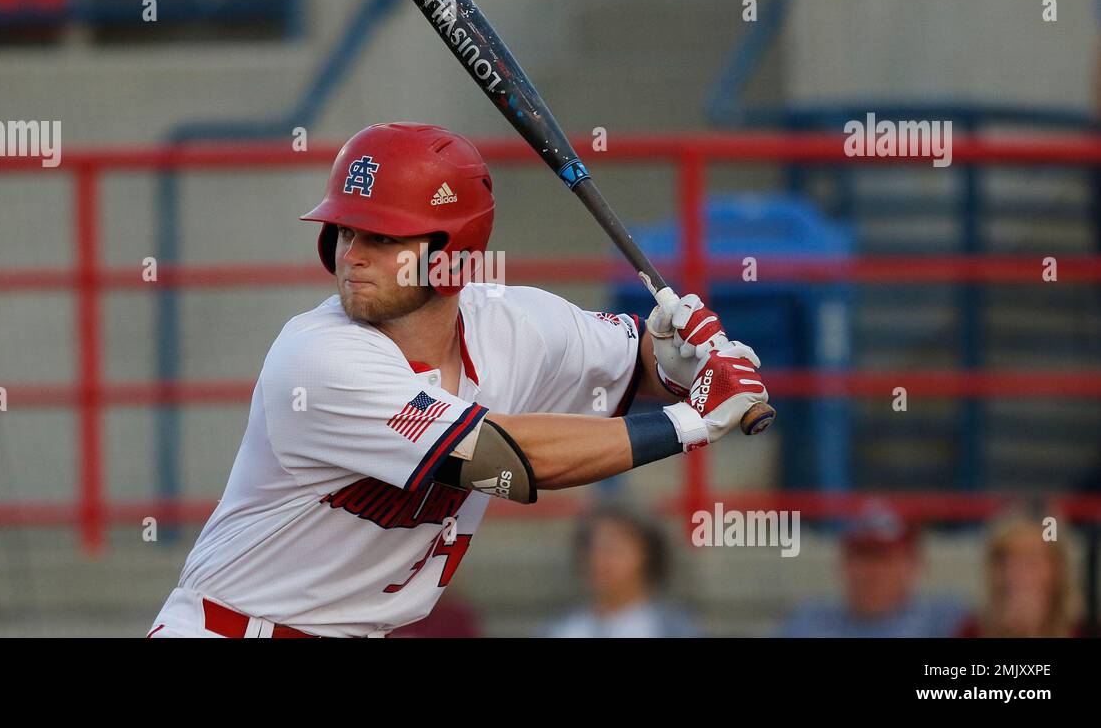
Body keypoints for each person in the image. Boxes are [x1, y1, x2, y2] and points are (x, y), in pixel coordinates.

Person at [148, 122, 768, 638]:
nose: (352, 255)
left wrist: (682, 362)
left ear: (453, 249)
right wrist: (692, 422)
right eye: (346, 230)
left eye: (382, 236)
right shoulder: (318, 359)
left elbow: (636, 363)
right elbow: (506, 458)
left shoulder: (513, 325)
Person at [776, 499, 966, 638]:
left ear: (914, 565)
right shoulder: (807, 622)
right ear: (841, 564)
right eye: (860, 557)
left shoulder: (944, 622)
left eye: (882, 559)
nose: (869, 572)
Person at [544, 505, 699, 638]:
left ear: (647, 555)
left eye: (613, 548)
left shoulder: (672, 630)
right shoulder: (563, 629)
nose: (599, 559)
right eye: (591, 547)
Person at [954, 516, 1082, 638]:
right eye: (1004, 562)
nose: (1014, 575)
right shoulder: (971, 630)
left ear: (1056, 571)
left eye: (1030, 562)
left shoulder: (1081, 631)